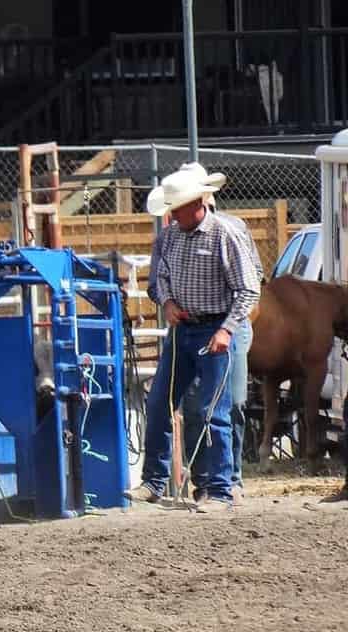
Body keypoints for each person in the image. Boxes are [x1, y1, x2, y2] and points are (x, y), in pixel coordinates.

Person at [129, 167, 261, 510]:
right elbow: (159, 282)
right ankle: (154, 481)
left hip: (215, 329)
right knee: (159, 401)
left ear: (198, 203)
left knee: (212, 409)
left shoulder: (224, 235)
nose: (172, 214)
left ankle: (219, 489)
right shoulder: (169, 238)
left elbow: (248, 289)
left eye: (178, 207)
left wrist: (226, 329)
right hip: (183, 329)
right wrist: (168, 303)